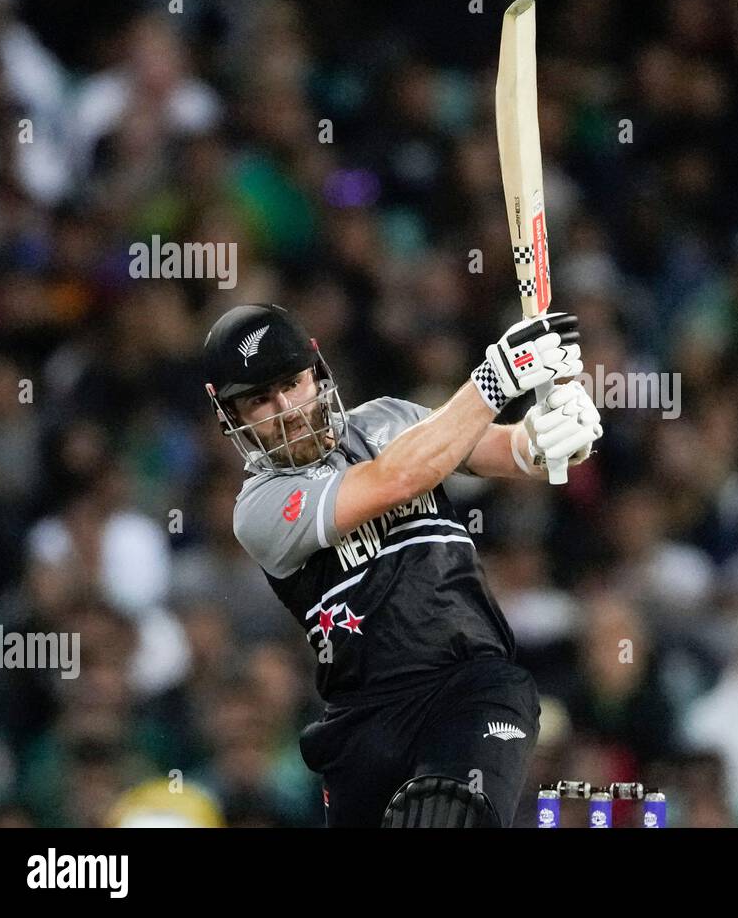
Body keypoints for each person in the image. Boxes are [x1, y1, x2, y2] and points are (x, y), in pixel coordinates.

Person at [200, 302, 601, 827]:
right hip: (363, 728)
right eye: (259, 399)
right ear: (233, 417)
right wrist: (496, 378)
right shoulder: (258, 508)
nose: (285, 408)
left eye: (292, 384)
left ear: (317, 374)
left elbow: (510, 451)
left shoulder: (389, 419)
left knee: (444, 817)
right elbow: (394, 480)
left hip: (472, 688)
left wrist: (555, 433)